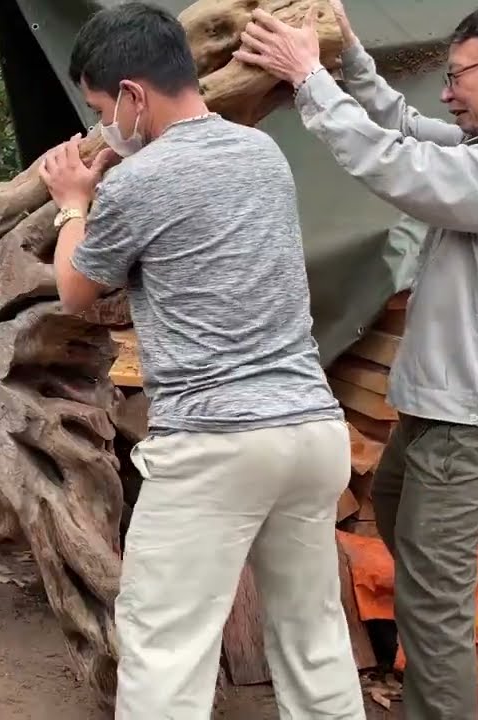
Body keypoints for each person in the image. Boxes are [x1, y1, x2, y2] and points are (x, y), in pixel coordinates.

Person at [235, 1, 478, 717]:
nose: (447, 91)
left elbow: (397, 166)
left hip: (471, 420)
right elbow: (402, 128)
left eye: (459, 75)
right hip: (441, 408)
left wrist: (309, 78)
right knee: (398, 514)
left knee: (432, 607)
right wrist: (351, 57)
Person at [37, 3, 366, 718]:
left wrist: (71, 203)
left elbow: (73, 289)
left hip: (215, 443)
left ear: (132, 95)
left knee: (164, 645)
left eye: (100, 110)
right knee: (314, 638)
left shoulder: (136, 182)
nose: (102, 128)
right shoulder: (262, 155)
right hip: (311, 430)